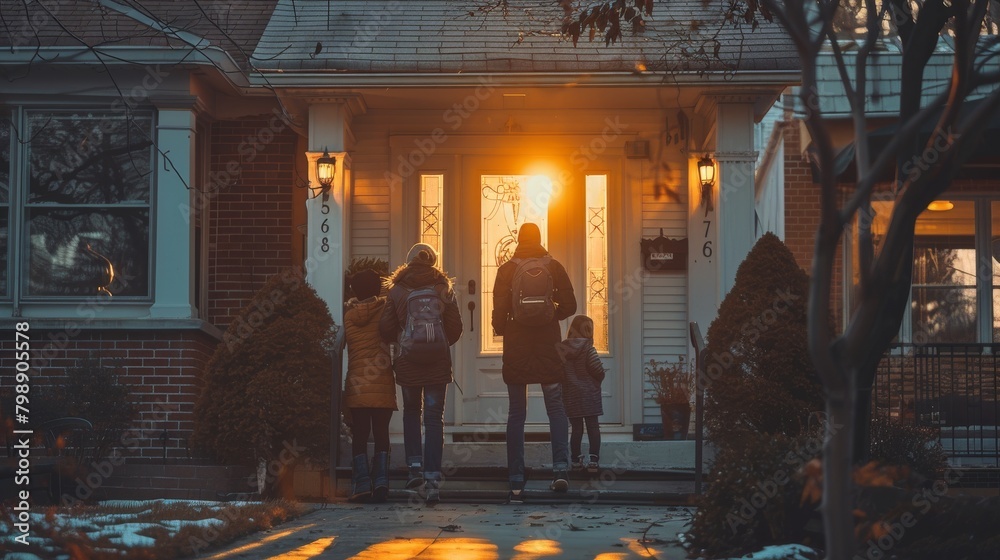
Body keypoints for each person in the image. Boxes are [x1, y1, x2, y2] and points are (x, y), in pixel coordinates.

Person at [491, 222, 577, 503]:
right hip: (548, 345)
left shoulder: (506, 270)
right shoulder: (554, 266)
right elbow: (570, 307)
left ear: (518, 240)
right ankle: (561, 469)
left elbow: (498, 315)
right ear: (540, 240)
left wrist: (508, 326)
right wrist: (550, 315)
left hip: (517, 346)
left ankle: (516, 478)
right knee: (555, 407)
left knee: (517, 412)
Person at [380, 243, 463, 504]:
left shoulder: (397, 290)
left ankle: (414, 467)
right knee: (434, 418)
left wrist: (406, 340)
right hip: (438, 364)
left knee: (411, 412)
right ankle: (433, 479)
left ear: (408, 262)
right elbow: (456, 328)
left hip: (408, 363)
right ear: (433, 262)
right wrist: (436, 344)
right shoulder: (444, 289)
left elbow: (384, 328)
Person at [342, 268, 397, 503]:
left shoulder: (348, 316)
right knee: (382, 433)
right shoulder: (385, 310)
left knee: (361, 434)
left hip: (357, 383)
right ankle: (382, 481)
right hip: (382, 380)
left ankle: (362, 484)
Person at [558, 315, 606, 473]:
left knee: (576, 429)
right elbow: (596, 368)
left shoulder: (563, 349)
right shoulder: (588, 348)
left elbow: (560, 373)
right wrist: (599, 378)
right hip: (589, 394)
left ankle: (576, 461)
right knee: (593, 427)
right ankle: (593, 461)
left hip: (571, 394)